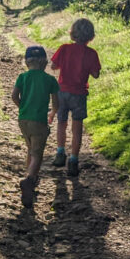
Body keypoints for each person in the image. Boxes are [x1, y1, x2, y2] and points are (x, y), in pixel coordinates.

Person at [50, 18, 101, 177]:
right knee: (77, 128)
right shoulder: (92, 54)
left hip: (62, 92)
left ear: (72, 33)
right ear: (91, 36)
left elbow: (53, 66)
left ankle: (60, 153)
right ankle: (73, 160)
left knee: (61, 124)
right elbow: (96, 74)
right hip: (79, 95)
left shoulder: (64, 48)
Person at [11, 45, 59, 209]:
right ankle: (30, 180)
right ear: (44, 61)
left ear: (26, 61)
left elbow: (14, 96)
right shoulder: (50, 80)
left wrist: (22, 107)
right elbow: (56, 102)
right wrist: (52, 113)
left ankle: (29, 178)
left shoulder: (22, 77)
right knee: (37, 154)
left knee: (30, 149)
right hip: (39, 121)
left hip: (23, 120)